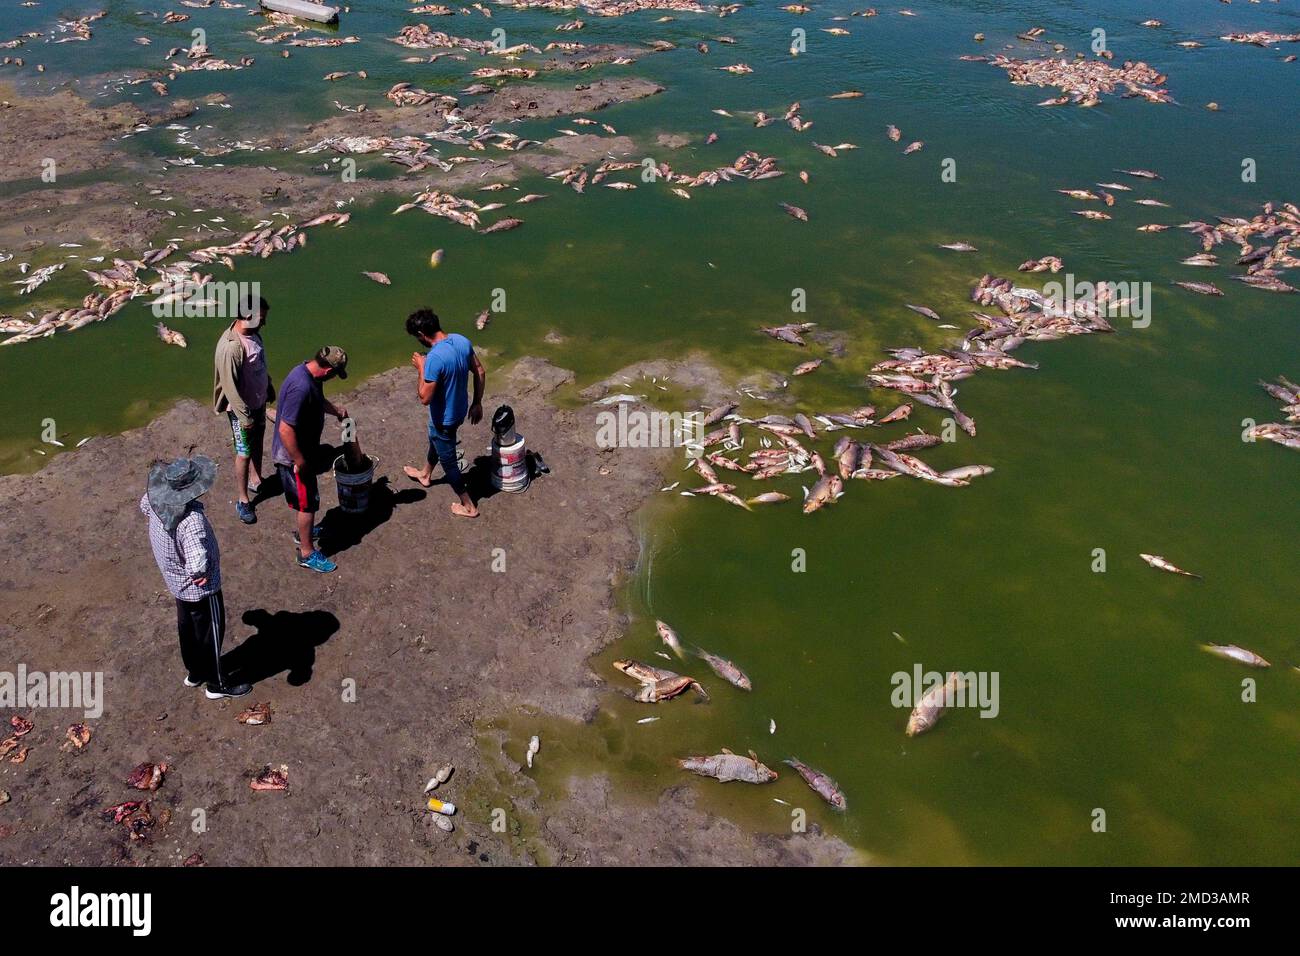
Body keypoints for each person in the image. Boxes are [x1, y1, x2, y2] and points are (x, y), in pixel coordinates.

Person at [141, 455, 252, 700]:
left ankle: (194, 673)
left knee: (187, 628)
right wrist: (200, 574)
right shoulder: (192, 522)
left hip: (176, 583)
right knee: (210, 632)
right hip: (200, 590)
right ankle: (216, 684)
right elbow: (197, 560)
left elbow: (143, 506)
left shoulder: (153, 501)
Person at [270, 346, 350, 573]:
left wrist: (337, 410)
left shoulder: (306, 372)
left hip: (302, 453)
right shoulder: (302, 387)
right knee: (308, 503)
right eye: (336, 374)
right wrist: (300, 462)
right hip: (293, 458)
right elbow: (285, 429)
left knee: (307, 502)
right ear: (328, 371)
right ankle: (306, 552)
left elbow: (318, 401)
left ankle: (304, 532)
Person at [402, 309, 485, 517]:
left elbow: (424, 398)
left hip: (444, 420)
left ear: (421, 334)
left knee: (449, 464)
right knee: (435, 440)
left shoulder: (434, 358)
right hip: (459, 411)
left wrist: (421, 368)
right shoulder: (461, 340)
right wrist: (477, 403)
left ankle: (469, 506)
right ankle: (425, 474)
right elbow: (480, 371)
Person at [213, 294, 276, 525]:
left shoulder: (253, 334)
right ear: (248, 316)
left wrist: (268, 385)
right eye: (261, 318)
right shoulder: (231, 348)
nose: (265, 322)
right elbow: (229, 387)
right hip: (242, 412)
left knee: (259, 441)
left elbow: (258, 364)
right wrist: (244, 417)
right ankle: (243, 499)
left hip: (258, 404)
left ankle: (256, 478)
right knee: (244, 452)